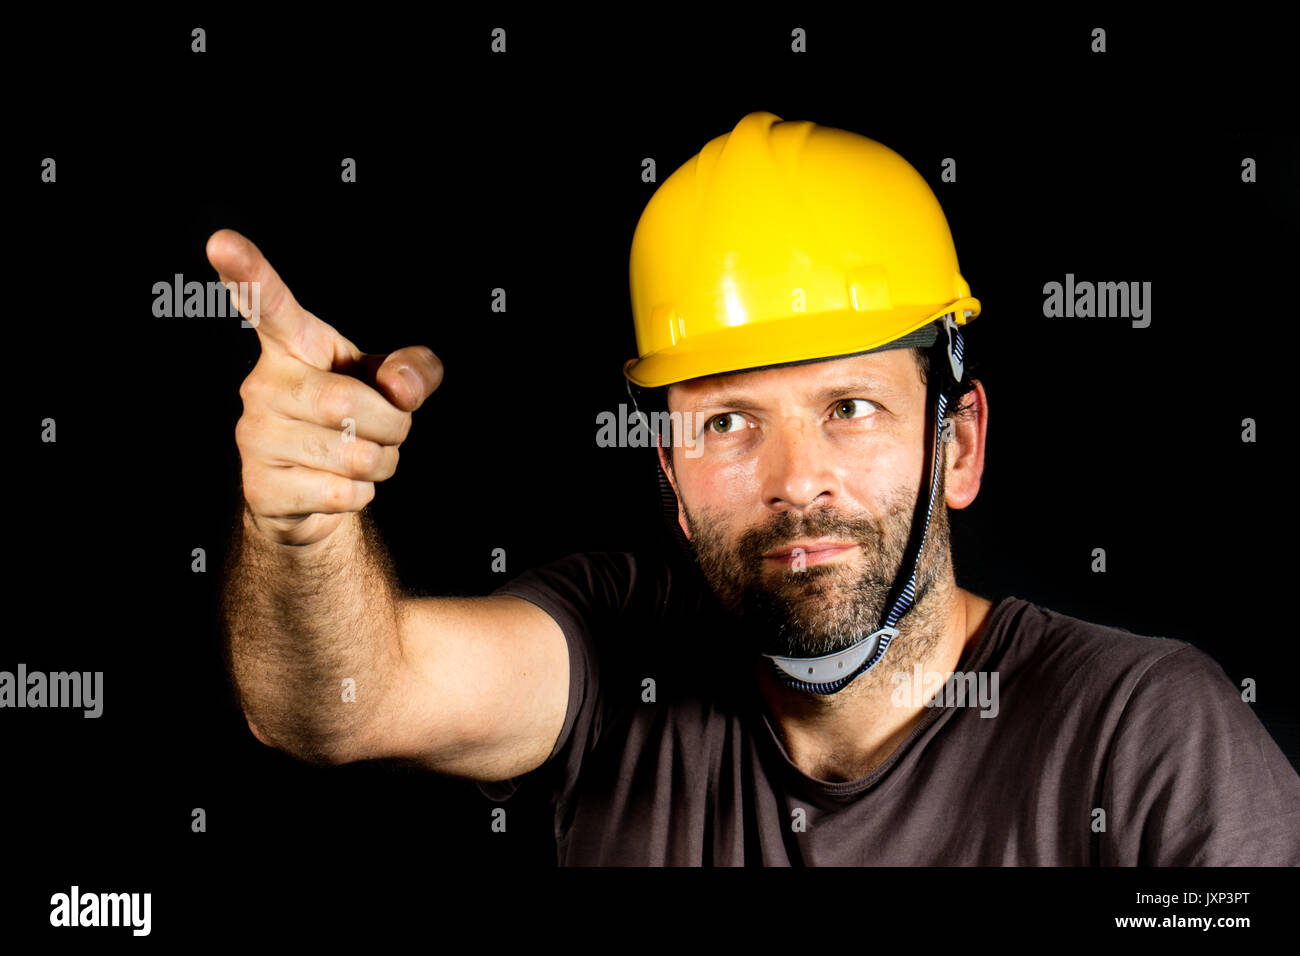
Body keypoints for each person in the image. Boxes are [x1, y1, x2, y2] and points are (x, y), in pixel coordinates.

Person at [217, 111, 1300, 865]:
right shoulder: (615, 658)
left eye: (850, 407)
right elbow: (330, 707)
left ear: (957, 445)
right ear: (674, 482)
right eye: (728, 421)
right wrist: (300, 527)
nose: (796, 483)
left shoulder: (1144, 733)